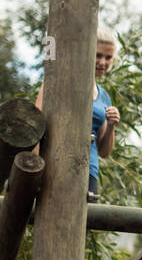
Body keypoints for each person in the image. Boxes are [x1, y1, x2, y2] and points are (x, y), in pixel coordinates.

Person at [35, 26, 120, 201]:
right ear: (86, 51)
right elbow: (35, 123)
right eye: (98, 55)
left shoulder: (104, 96)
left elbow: (103, 151)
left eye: (108, 57)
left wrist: (111, 125)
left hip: (89, 172)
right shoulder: (58, 80)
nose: (103, 62)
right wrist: (34, 167)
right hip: (56, 166)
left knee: (84, 227)